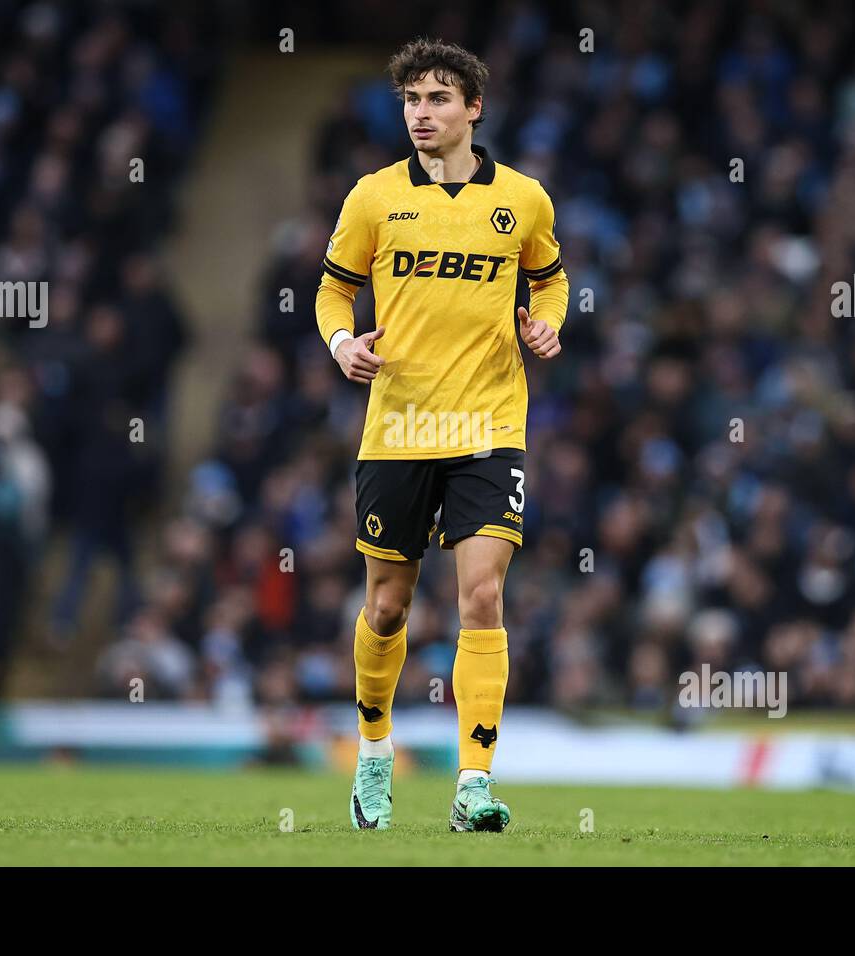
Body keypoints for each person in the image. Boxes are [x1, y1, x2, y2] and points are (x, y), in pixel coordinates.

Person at [315, 37, 568, 831]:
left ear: (473, 108)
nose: (421, 115)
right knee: (388, 607)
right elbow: (333, 289)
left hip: (489, 424)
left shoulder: (523, 200)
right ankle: (376, 751)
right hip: (398, 425)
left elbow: (551, 279)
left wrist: (548, 327)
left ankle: (474, 785)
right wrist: (341, 343)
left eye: (436, 100)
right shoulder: (373, 197)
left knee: (484, 595)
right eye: (411, 101)